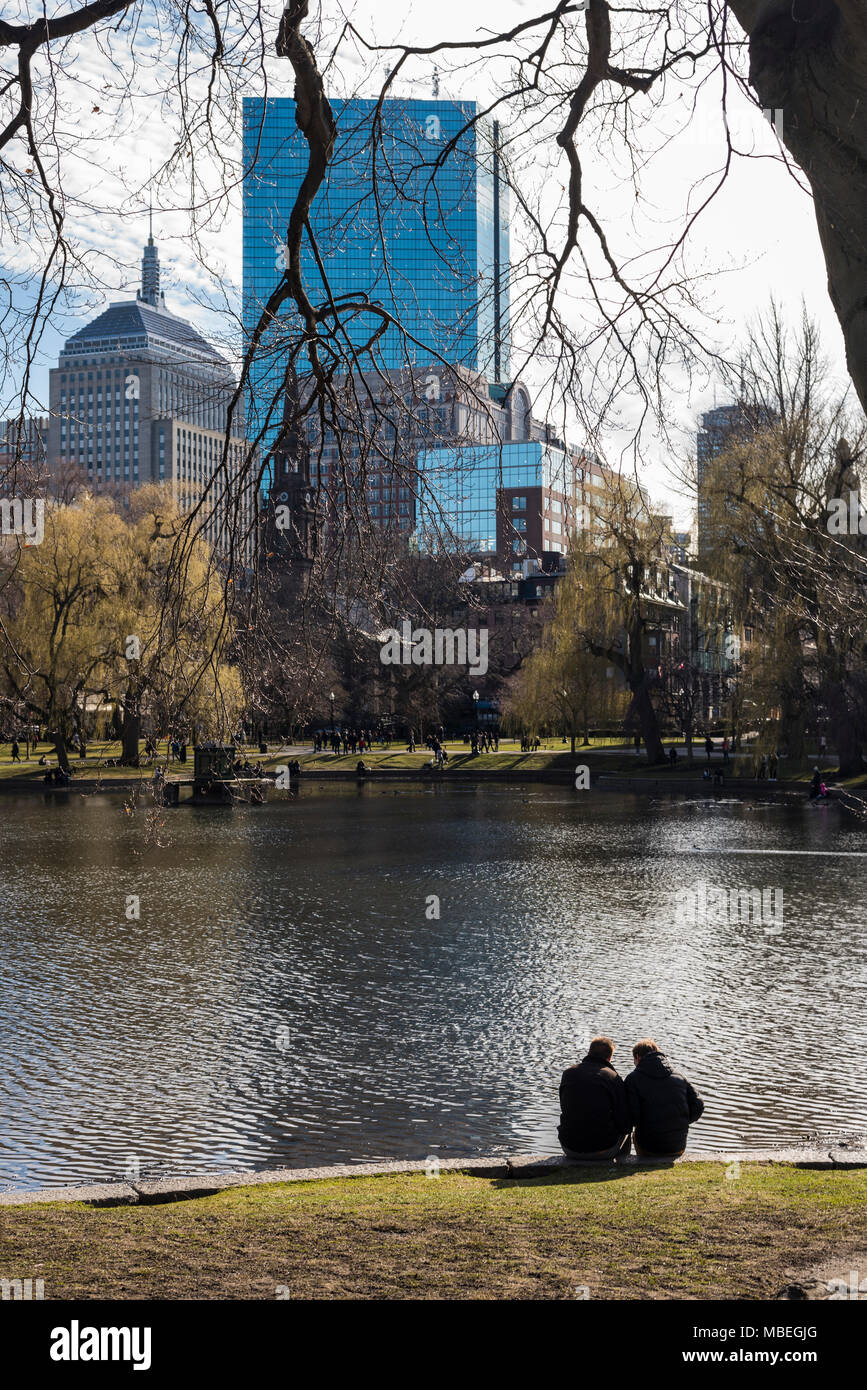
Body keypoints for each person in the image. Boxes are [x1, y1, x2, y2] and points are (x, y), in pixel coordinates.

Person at [625, 1039, 704, 1159]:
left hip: (650, 1148)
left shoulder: (633, 1079)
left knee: (633, 1135)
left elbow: (633, 1117)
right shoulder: (679, 1076)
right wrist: (682, 1121)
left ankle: (642, 1160)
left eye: (634, 1061)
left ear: (637, 1057)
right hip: (678, 1147)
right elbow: (699, 1104)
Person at [558, 1036, 631, 1160]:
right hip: (603, 1149)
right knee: (627, 1129)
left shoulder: (568, 1074)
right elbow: (623, 1120)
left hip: (569, 1146)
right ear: (609, 1058)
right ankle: (624, 1163)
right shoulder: (613, 1077)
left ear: (589, 1052)